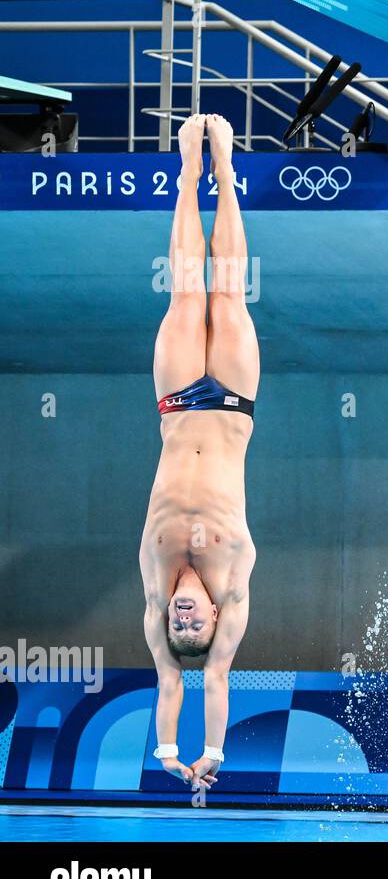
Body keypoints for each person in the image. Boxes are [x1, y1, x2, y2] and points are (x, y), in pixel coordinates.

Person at [139, 114, 258, 787]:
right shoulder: (233, 586)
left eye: (177, 622)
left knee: (187, 297)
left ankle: (188, 176)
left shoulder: (156, 593)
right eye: (195, 621)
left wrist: (165, 754)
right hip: (234, 408)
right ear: (214, 616)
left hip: (180, 405)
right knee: (228, 294)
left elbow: (169, 680)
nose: (184, 614)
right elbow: (212, 677)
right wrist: (210, 753)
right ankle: (228, 175)